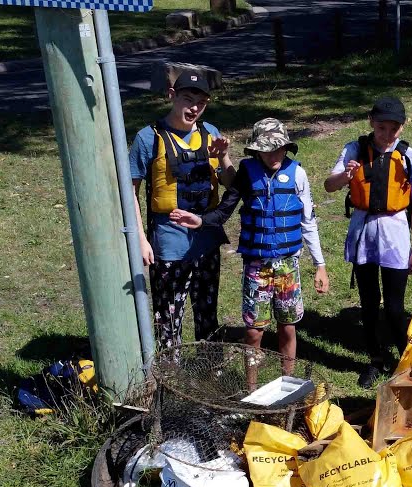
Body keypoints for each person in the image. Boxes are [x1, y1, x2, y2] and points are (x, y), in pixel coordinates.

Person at [180, 118, 327, 375]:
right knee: (253, 332)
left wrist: (320, 265)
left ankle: (288, 383)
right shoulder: (247, 173)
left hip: (288, 266)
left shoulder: (298, 174)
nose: (275, 155)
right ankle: (251, 391)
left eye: (279, 148)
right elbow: (225, 210)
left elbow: (309, 222)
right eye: (268, 149)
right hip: (256, 266)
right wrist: (201, 220)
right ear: (256, 150)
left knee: (288, 327)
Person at [128, 71, 236, 353]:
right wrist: (140, 238)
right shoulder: (147, 138)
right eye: (188, 99)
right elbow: (129, 191)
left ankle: (209, 374)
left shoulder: (210, 133)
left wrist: (224, 157)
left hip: (207, 241)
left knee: (207, 314)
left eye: (201, 103)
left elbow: (232, 185)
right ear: (171, 96)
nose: (194, 108)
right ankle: (169, 377)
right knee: (168, 319)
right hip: (169, 244)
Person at [323, 97, 412, 389]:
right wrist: (346, 175)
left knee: (394, 306)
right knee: (368, 301)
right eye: (381, 126)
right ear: (371, 122)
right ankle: (374, 359)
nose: (387, 133)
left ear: (402, 127)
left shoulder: (409, 156)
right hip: (363, 230)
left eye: (393, 128)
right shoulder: (354, 149)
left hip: (394, 231)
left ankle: (406, 359)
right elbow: (329, 185)